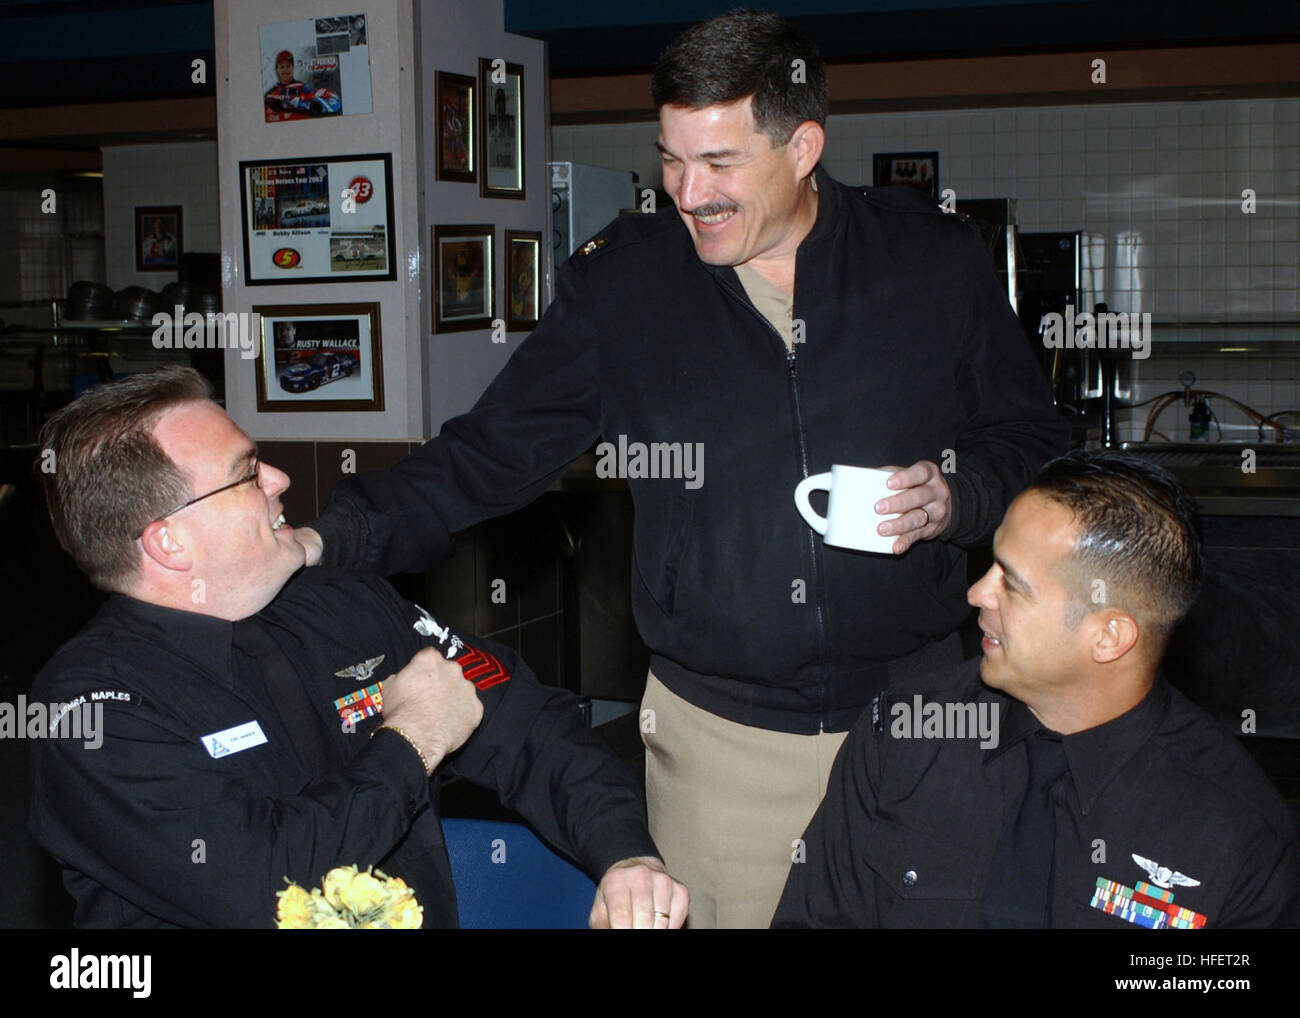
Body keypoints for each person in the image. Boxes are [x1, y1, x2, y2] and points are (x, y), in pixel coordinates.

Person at [294, 10, 1068, 927]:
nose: (687, 192)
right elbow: (489, 453)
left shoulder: (932, 263)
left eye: (720, 164)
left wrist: (958, 496)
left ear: (804, 145)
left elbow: (1033, 438)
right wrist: (328, 535)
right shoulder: (625, 283)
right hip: (720, 748)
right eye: (670, 159)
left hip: (920, 721)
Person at [28, 368, 687, 929]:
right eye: (246, 474)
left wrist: (624, 852)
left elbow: (530, 729)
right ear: (169, 542)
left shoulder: (341, 603)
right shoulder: (94, 711)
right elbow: (269, 889)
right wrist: (412, 737)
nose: (280, 479)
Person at [773, 451, 1299, 928]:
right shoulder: (905, 735)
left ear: (1108, 636)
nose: (977, 593)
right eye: (990, 565)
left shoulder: (1237, 832)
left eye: (1012, 584)